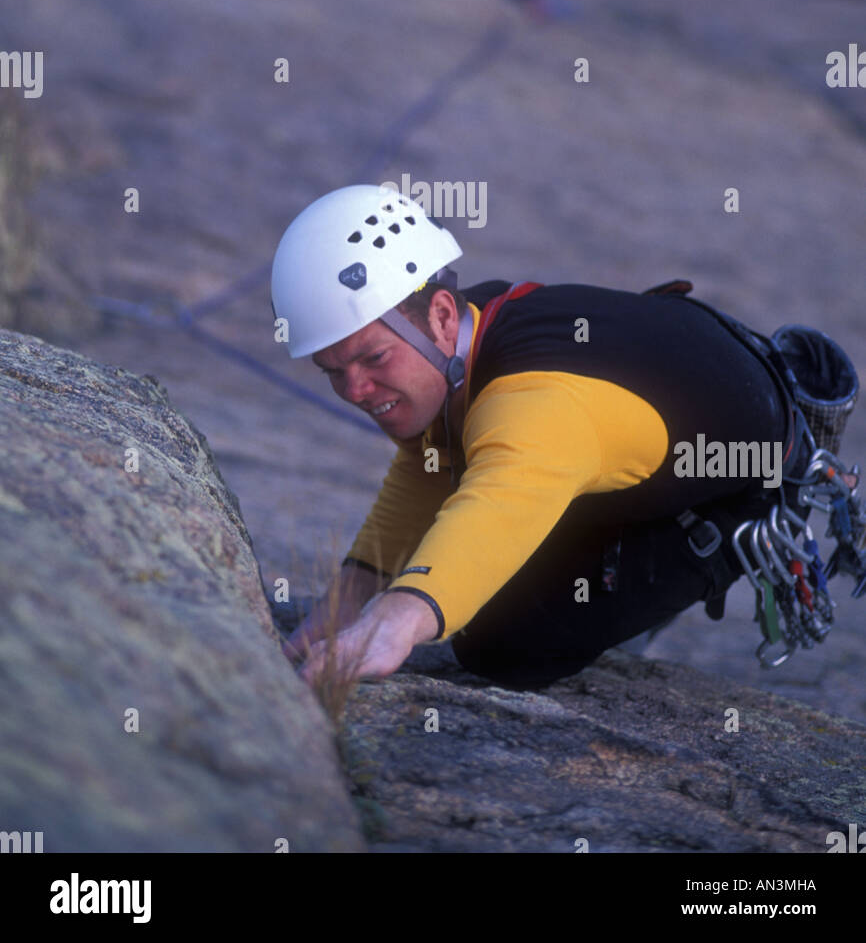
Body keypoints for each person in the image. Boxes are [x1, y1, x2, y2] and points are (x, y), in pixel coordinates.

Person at [271, 184, 847, 692]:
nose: (355, 389)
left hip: (734, 485)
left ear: (443, 315)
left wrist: (399, 614)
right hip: (686, 406)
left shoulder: (534, 402)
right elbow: (428, 466)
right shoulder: (469, 332)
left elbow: (500, 504)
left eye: (373, 358)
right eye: (332, 370)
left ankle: (694, 551)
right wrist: (349, 597)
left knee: (501, 641)